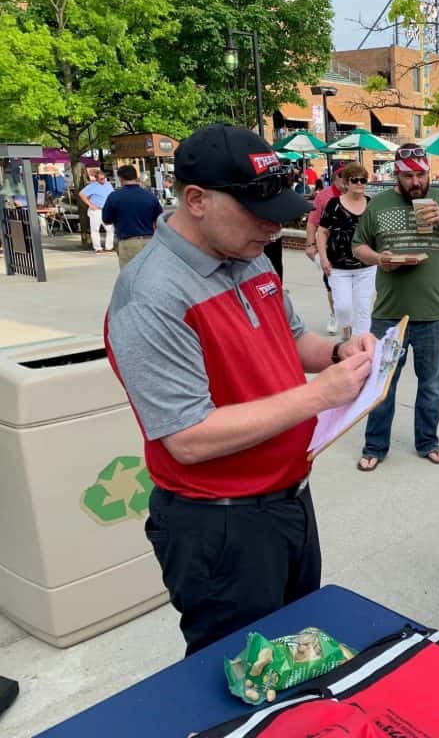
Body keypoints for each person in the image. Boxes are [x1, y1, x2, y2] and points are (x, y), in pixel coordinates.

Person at [104, 123, 375, 655]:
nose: (273, 226)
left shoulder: (247, 251)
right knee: (237, 672)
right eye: (258, 211)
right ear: (197, 200)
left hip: (289, 496)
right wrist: (321, 395)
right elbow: (187, 436)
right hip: (220, 524)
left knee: (296, 652)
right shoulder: (151, 296)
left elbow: (291, 338)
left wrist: (340, 354)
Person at [352, 143, 439, 472]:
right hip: (389, 313)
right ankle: (375, 445)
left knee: (430, 384)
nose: (415, 182)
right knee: (382, 384)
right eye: (408, 176)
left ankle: (427, 441)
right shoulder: (379, 205)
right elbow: (358, 245)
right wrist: (379, 259)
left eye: (420, 174)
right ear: (396, 176)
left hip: (433, 311)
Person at [316, 163, 376, 341]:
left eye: (363, 180)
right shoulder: (334, 204)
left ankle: (360, 344)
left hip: (366, 266)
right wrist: (323, 259)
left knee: (363, 307)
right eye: (355, 180)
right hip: (338, 266)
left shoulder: (371, 204)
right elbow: (322, 232)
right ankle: (346, 325)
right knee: (342, 306)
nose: (359, 183)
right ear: (346, 182)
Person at [308, 166, 347, 335]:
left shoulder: (357, 194)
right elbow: (312, 222)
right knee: (333, 287)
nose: (347, 180)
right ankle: (335, 315)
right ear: (334, 177)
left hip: (352, 250)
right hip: (329, 250)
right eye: (343, 176)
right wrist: (310, 244)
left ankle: (347, 323)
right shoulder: (324, 196)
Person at [101, 164, 163, 268]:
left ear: (120, 178)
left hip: (128, 242)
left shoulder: (115, 197)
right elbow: (159, 220)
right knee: (150, 274)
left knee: (129, 278)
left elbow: (106, 220)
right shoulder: (150, 196)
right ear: (135, 177)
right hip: (149, 241)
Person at [79, 169, 115, 254]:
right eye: (101, 179)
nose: (103, 180)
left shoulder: (108, 184)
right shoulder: (92, 186)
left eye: (104, 178)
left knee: (110, 229)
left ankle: (109, 247)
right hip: (96, 210)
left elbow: (112, 195)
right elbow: (81, 194)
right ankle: (98, 248)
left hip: (106, 209)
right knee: (95, 229)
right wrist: (90, 204)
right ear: (96, 179)